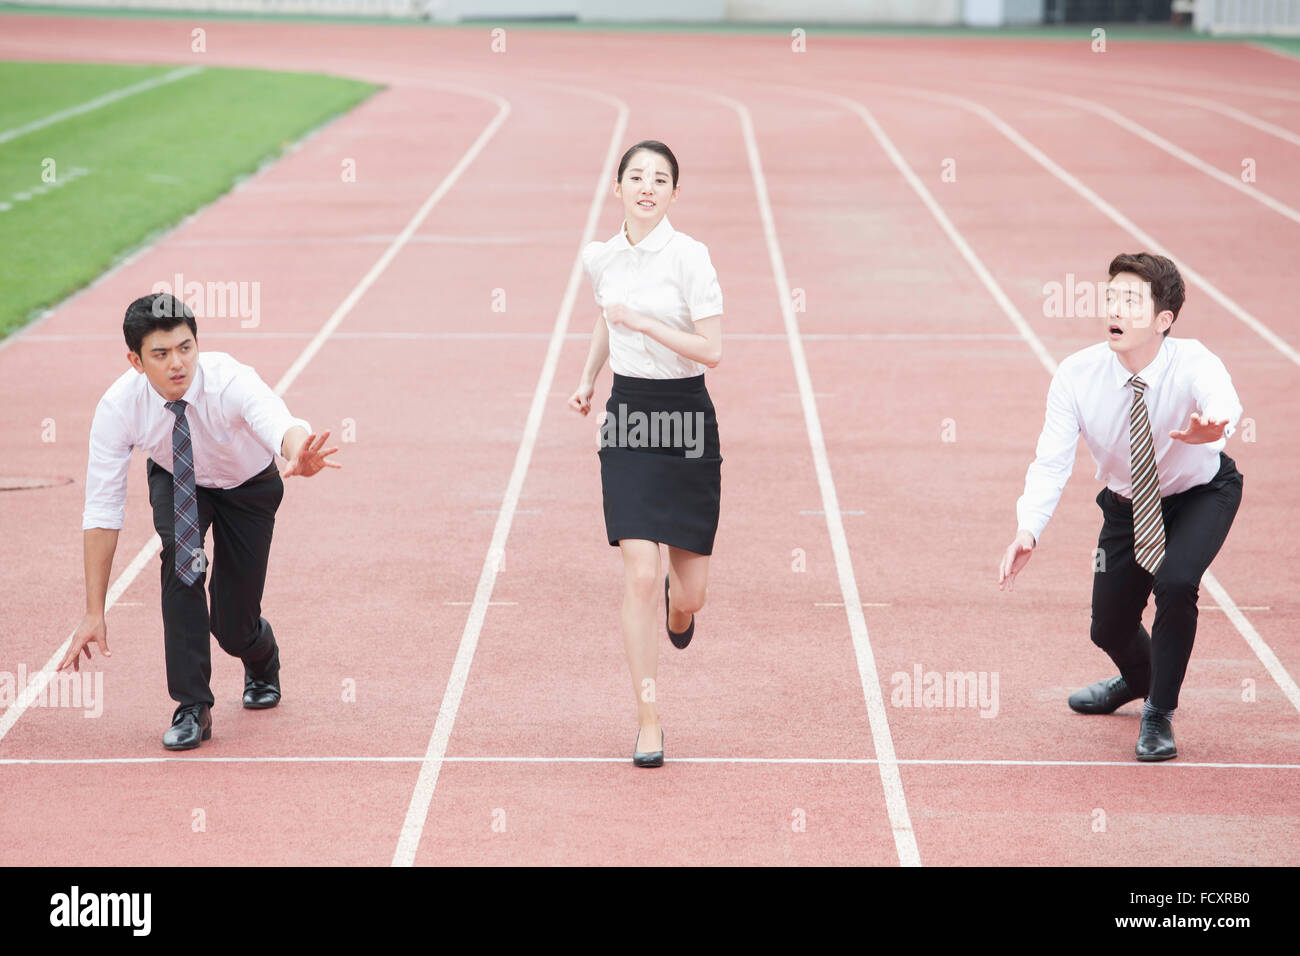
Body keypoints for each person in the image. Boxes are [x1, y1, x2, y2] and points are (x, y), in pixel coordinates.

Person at [59, 293, 340, 750]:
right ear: (135, 360)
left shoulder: (230, 380)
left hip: (248, 487)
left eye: (185, 348)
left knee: (231, 624)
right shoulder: (118, 408)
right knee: (181, 564)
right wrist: (94, 610)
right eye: (161, 354)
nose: (177, 364)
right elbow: (103, 509)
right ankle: (192, 706)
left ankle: (260, 655)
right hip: (177, 478)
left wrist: (299, 452)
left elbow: (279, 423)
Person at [998, 253, 1244, 762]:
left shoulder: (1194, 361)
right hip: (1127, 505)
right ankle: (1138, 679)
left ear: (1163, 320)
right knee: (1107, 626)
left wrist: (1213, 427)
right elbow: (1052, 460)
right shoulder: (1076, 375)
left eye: (1131, 301)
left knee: (1176, 584)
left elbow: (1222, 399)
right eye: (1111, 297)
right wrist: (1029, 529)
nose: (1115, 308)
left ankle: (1159, 712)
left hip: (1200, 493)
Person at [568, 140, 724, 769]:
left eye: (661, 178)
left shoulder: (691, 257)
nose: (648, 186)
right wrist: (586, 378)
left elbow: (712, 350)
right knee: (637, 572)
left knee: (691, 597)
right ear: (618, 187)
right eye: (637, 176)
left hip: (687, 419)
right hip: (629, 417)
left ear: (674, 193)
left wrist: (649, 324)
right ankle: (648, 719)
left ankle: (677, 610)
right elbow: (607, 319)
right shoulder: (601, 257)